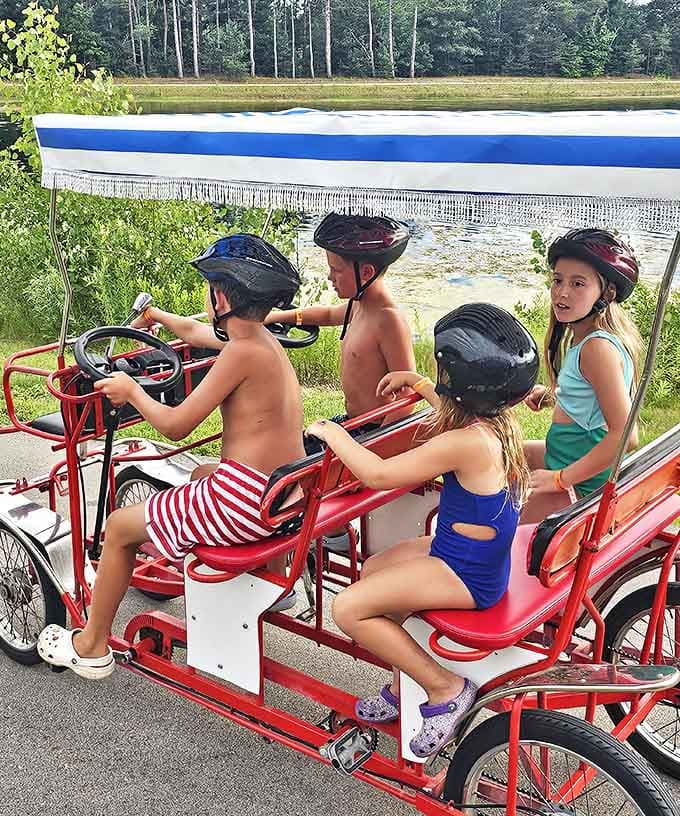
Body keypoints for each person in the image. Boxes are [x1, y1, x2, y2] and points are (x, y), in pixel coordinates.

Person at [37, 234, 306, 679]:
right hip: (280, 493)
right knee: (202, 470)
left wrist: (132, 391)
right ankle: (265, 577)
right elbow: (199, 332)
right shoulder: (260, 343)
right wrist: (157, 316)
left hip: (245, 502)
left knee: (119, 527)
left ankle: (91, 644)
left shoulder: (239, 353)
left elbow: (177, 425)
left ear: (220, 297)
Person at [305, 303, 539, 758]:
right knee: (373, 569)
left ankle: (444, 688)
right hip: (466, 555)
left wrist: (332, 435)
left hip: (465, 574)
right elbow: (451, 412)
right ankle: (403, 680)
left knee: (349, 609)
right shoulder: (492, 424)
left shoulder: (463, 443)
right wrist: (418, 384)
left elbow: (376, 474)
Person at [266, 213, 417, 551]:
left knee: (290, 474)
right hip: (353, 425)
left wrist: (375, 453)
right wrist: (278, 316)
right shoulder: (357, 305)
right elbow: (328, 314)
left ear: (366, 272)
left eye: (335, 271)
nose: (329, 277)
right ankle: (330, 531)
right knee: (289, 449)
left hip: (371, 432)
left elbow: (407, 396)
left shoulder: (388, 319)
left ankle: (297, 540)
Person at [521, 228, 643, 524]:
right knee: (501, 452)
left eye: (578, 284)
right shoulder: (591, 339)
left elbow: (626, 436)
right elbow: (592, 402)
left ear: (607, 293)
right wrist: (554, 396)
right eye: (558, 280)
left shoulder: (597, 349)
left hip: (579, 485)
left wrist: (560, 480)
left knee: (497, 543)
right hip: (569, 460)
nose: (562, 292)